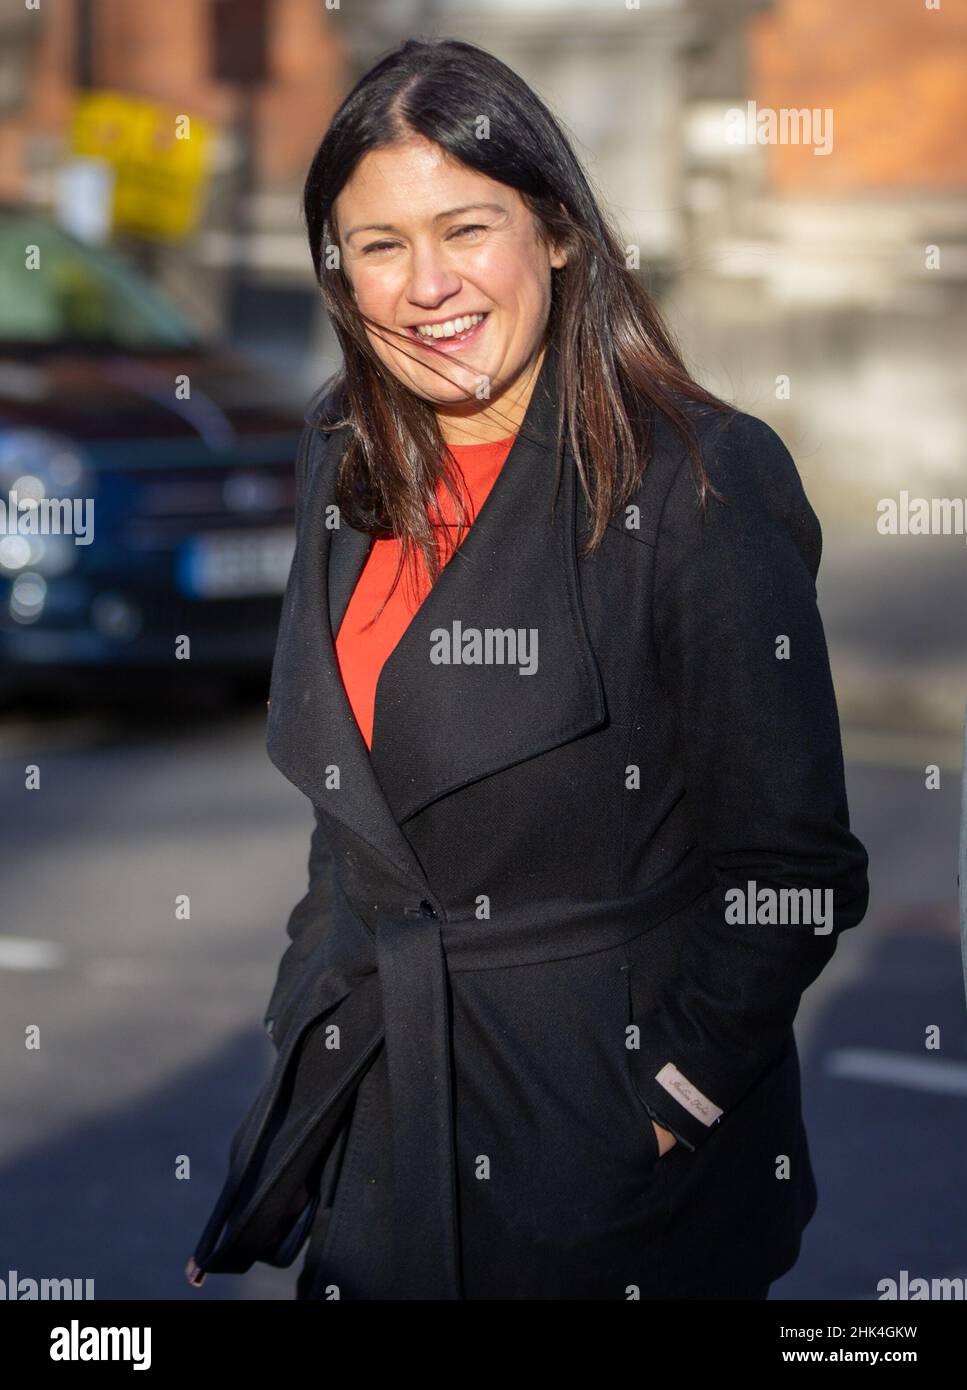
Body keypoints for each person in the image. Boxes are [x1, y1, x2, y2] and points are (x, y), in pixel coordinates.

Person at [185, 36, 869, 1301]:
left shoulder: (699, 482)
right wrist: (301, 1047)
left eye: (466, 228)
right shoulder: (340, 453)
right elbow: (357, 829)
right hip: (379, 1136)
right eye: (379, 244)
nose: (426, 284)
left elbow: (793, 871)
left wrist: (661, 1103)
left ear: (556, 232)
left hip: (598, 1172)